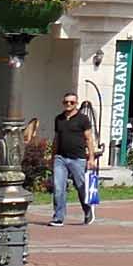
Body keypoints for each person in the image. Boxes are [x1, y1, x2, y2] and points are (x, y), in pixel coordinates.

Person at [49, 90, 103, 227]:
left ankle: (87, 210)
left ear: (76, 103)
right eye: (66, 102)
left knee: (81, 187)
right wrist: (52, 157)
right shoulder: (58, 119)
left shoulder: (83, 119)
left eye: (71, 102)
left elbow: (89, 139)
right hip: (60, 158)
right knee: (58, 187)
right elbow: (56, 139)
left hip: (78, 159)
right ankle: (58, 217)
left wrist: (91, 158)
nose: (68, 104)